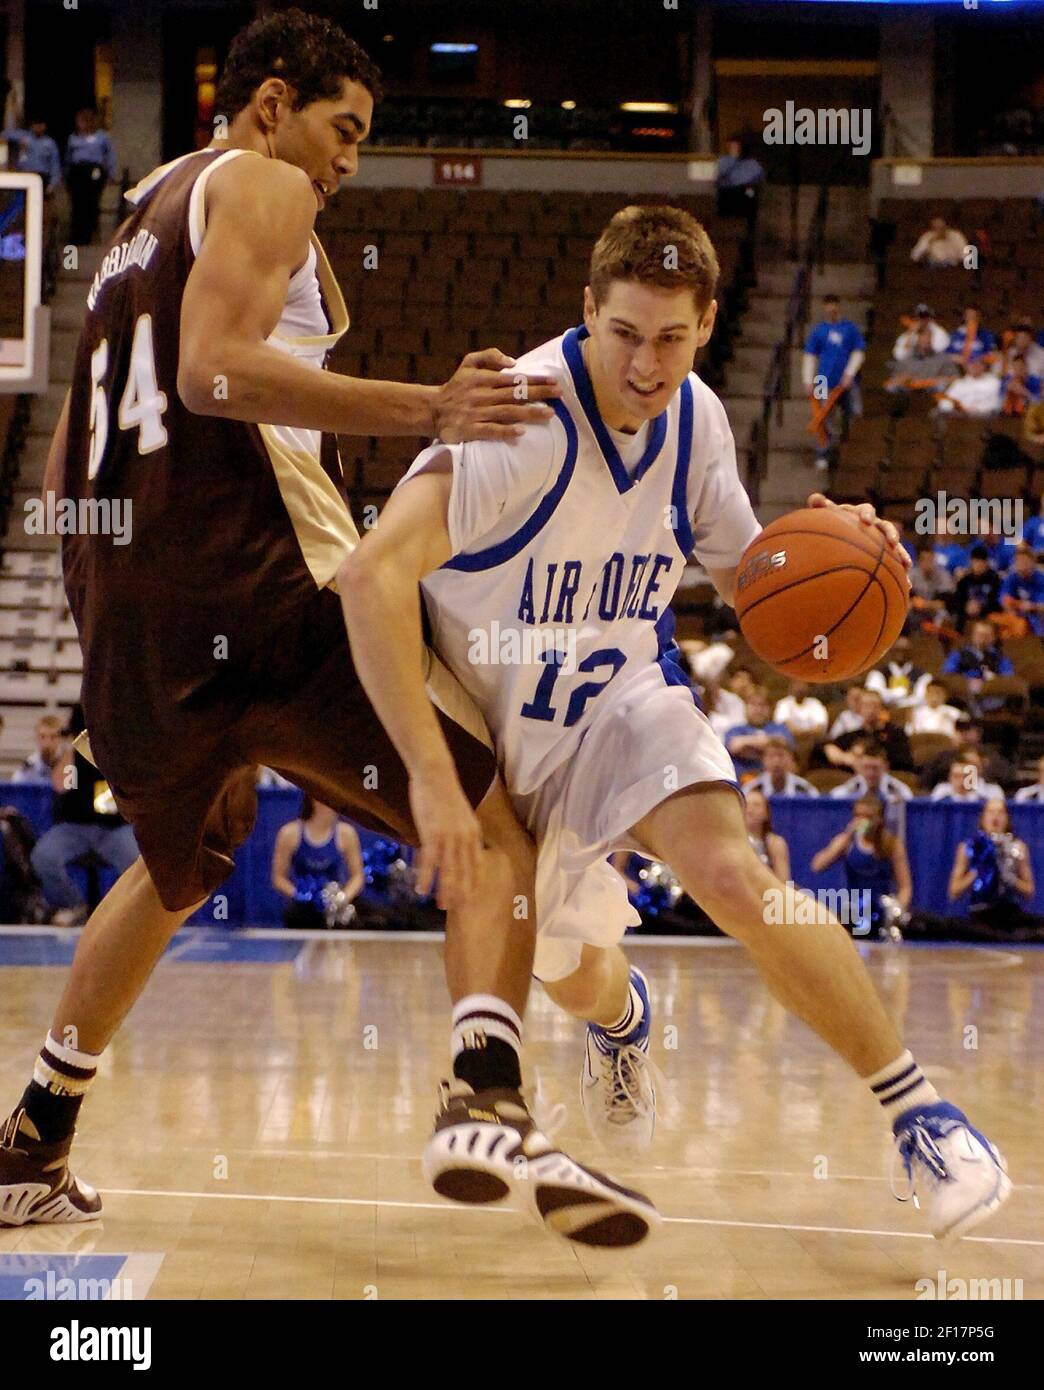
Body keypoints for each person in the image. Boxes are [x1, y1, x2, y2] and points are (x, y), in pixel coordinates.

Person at [0, 11, 654, 1248]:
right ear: (268, 106)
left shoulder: (132, 223)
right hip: (266, 589)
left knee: (177, 865)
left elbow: (59, 469)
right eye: (342, 128)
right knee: (495, 814)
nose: (347, 161)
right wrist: (429, 407)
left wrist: (124, 597)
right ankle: (491, 1087)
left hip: (131, 612)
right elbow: (212, 376)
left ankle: (30, 1142)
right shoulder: (261, 182)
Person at [340, 200, 1010, 1238]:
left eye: (671, 338)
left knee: (738, 876)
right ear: (587, 312)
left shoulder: (696, 415)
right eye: (624, 335)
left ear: (703, 324)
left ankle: (923, 1119)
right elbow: (371, 572)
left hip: (624, 705)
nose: (646, 366)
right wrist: (427, 771)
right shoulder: (520, 419)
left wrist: (858, 550)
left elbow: (755, 582)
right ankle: (624, 1017)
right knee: (576, 973)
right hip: (500, 740)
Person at [29, 707, 140, 928]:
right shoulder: (73, 755)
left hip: (114, 829)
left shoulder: (121, 751)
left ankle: (124, 915)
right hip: (75, 828)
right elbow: (61, 786)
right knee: (43, 857)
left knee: (139, 865)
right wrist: (71, 746)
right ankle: (74, 905)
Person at [811, 794, 912, 940]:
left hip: (881, 908)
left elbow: (905, 887)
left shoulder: (892, 845)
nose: (862, 821)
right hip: (855, 911)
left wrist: (896, 912)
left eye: (868, 817)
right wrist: (847, 836)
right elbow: (817, 865)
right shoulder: (846, 841)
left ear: (879, 819)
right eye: (858, 816)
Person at [271, 795, 364, 928]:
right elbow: (278, 878)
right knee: (297, 916)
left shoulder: (346, 833)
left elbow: (358, 876)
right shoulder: (289, 833)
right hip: (303, 911)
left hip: (335, 907)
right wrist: (300, 895)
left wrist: (342, 898)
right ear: (315, 801)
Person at [948, 798, 1035, 931]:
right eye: (991, 812)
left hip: (1010, 914)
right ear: (982, 818)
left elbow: (1029, 892)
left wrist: (1010, 879)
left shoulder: (1018, 847)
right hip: (980, 913)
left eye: (1000, 812)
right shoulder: (968, 847)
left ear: (1007, 819)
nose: (995, 817)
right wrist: (979, 870)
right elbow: (953, 891)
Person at [802, 294, 865, 469]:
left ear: (838, 306)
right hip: (822, 379)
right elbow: (810, 355)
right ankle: (823, 454)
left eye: (833, 305)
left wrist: (849, 373)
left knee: (855, 414)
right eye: (827, 305)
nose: (831, 308)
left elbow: (858, 352)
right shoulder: (819, 330)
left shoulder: (849, 328)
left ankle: (853, 452)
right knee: (822, 418)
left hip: (846, 381)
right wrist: (808, 380)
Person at [830, 740, 912, 838]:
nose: (870, 773)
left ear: (885, 767)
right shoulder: (848, 789)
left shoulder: (899, 790)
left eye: (875, 768)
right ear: (860, 766)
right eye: (866, 767)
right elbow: (834, 800)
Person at [64, 107, 119, 246]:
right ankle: (77, 236)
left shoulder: (102, 137)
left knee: (92, 202)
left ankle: (91, 235)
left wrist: (111, 172)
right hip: (78, 171)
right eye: (80, 122)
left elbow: (110, 155)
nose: (82, 125)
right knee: (77, 203)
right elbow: (68, 158)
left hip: (94, 171)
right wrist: (66, 174)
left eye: (85, 122)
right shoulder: (73, 138)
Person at [824, 688, 913, 772]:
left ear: (881, 709)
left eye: (874, 706)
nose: (870, 710)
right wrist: (847, 758)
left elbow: (904, 762)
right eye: (866, 705)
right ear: (859, 709)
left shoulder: (896, 733)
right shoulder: (854, 734)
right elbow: (828, 747)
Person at [724, 686, 794, 778]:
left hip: (775, 781)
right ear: (745, 707)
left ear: (770, 708)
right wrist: (767, 744)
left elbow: (784, 744)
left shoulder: (780, 728)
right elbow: (735, 746)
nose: (758, 710)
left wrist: (747, 745)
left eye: (763, 705)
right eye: (753, 705)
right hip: (743, 779)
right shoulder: (735, 730)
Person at [714, 133, 764, 236]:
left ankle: (748, 234)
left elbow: (757, 178)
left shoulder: (752, 164)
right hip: (728, 193)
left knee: (750, 193)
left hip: (746, 192)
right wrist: (733, 159)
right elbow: (719, 176)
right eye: (731, 146)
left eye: (735, 146)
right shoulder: (724, 161)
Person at [863, 635, 932, 709]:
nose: (901, 654)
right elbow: (874, 696)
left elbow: (920, 700)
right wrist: (902, 692)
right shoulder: (877, 673)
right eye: (897, 650)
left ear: (911, 652)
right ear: (891, 651)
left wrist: (892, 699)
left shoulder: (923, 676)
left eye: (905, 651)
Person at [2, 116, 61, 195]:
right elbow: (5, 134)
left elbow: (55, 165)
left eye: (40, 125)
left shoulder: (50, 143)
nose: (38, 127)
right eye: (36, 125)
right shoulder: (24, 136)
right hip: (24, 174)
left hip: (41, 176)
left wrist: (52, 184)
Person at [744, 736, 818, 798]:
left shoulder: (804, 789)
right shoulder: (752, 789)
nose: (776, 762)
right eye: (771, 756)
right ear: (763, 760)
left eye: (781, 755)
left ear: (791, 759)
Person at [951, 545, 1002, 631]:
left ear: (986, 563)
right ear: (971, 562)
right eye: (976, 562)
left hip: (988, 613)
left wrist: (981, 607)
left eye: (982, 562)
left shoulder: (994, 579)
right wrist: (966, 606)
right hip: (967, 613)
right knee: (957, 618)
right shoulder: (964, 580)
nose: (979, 565)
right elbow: (957, 601)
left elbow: (997, 603)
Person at [743, 788, 789, 881]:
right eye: (746, 805)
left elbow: (784, 881)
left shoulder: (775, 843)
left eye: (756, 805)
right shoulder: (734, 842)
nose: (750, 809)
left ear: (766, 813)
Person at [999, 543, 1044, 637]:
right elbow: (1004, 599)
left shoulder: (1041, 579)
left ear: (1032, 562)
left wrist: (1033, 606)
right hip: (1016, 614)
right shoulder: (1011, 578)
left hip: (1037, 616)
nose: (1021, 565)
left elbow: (1042, 605)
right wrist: (1015, 605)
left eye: (1025, 561)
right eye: (1018, 562)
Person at [935, 354, 1002, 418]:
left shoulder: (995, 382)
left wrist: (978, 409)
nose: (974, 366)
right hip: (963, 419)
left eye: (978, 363)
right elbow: (944, 403)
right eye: (971, 363)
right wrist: (956, 407)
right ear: (966, 366)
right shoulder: (959, 384)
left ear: (984, 365)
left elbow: (998, 403)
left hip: (987, 419)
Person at [11, 713, 65, 784]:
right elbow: (15, 788)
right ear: (36, 738)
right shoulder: (30, 765)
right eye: (42, 737)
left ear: (61, 739)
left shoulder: (68, 765)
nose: (47, 742)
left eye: (53, 737)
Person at [930, 752, 1004, 803]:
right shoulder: (941, 793)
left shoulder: (985, 797)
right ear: (950, 777)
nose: (961, 780)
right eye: (956, 776)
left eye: (965, 776)